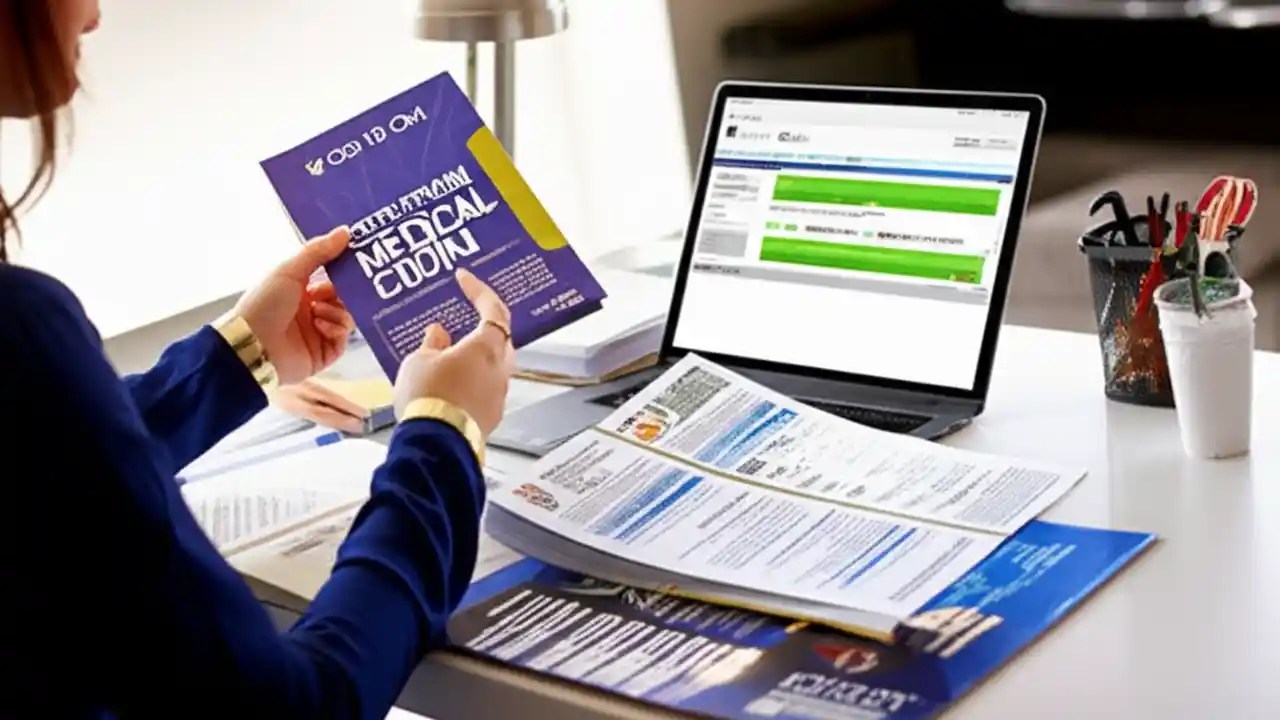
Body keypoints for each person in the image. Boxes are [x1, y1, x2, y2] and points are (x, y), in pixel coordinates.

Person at [0, 2, 515, 718]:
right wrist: (442, 437)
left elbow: (40, 469)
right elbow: (295, 708)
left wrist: (236, 359)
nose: (91, 15)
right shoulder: (20, 324)